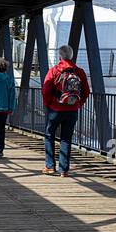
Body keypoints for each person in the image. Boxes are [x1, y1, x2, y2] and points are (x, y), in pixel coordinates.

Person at [41, 44, 91, 176]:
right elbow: (86, 91)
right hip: (72, 109)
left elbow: (46, 90)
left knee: (49, 135)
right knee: (66, 139)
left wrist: (48, 104)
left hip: (55, 109)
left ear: (59, 56)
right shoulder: (79, 71)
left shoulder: (54, 70)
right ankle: (64, 170)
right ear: (72, 56)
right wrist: (79, 104)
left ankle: (50, 166)